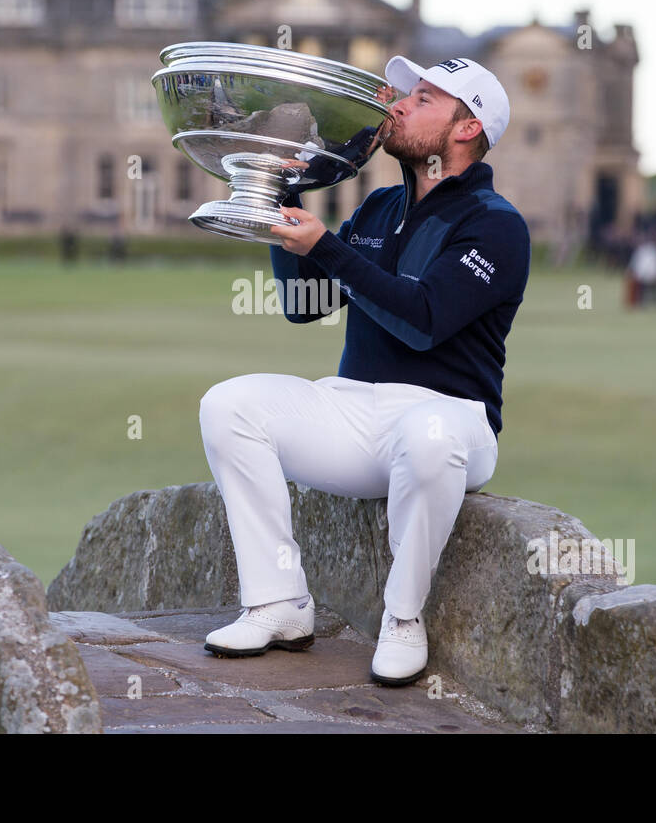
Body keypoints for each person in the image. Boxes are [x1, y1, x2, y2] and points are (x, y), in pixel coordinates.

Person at [198, 55, 529, 686]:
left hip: (451, 420)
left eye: (423, 99)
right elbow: (307, 306)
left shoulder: (497, 225)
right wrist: (282, 190)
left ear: (466, 130)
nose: (397, 105)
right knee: (228, 405)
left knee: (428, 437)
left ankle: (403, 620)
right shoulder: (377, 208)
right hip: (354, 409)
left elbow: (423, 320)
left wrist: (326, 245)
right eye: (404, 94)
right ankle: (278, 604)